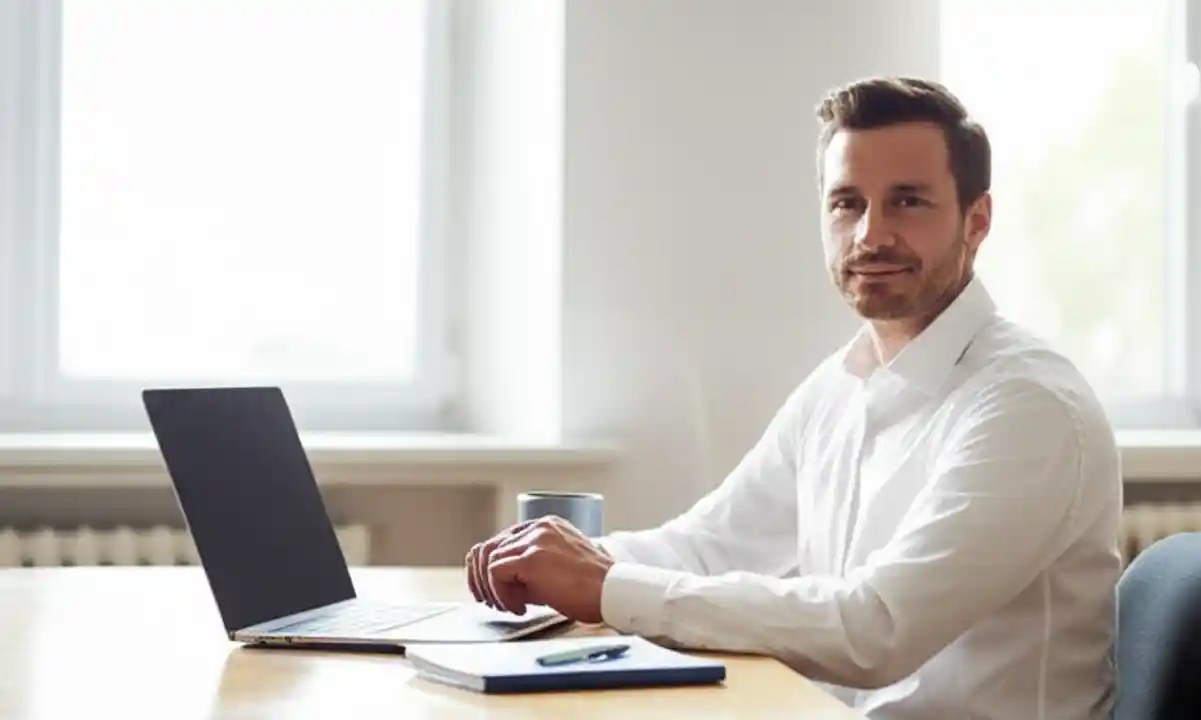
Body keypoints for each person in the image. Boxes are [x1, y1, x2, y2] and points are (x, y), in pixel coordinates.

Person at [465, 76, 1121, 719]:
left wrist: (604, 585)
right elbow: (711, 545)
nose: (870, 235)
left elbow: (875, 630)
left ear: (977, 221)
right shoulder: (840, 386)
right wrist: (555, 563)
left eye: (908, 201)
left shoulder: (1026, 407)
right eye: (847, 204)